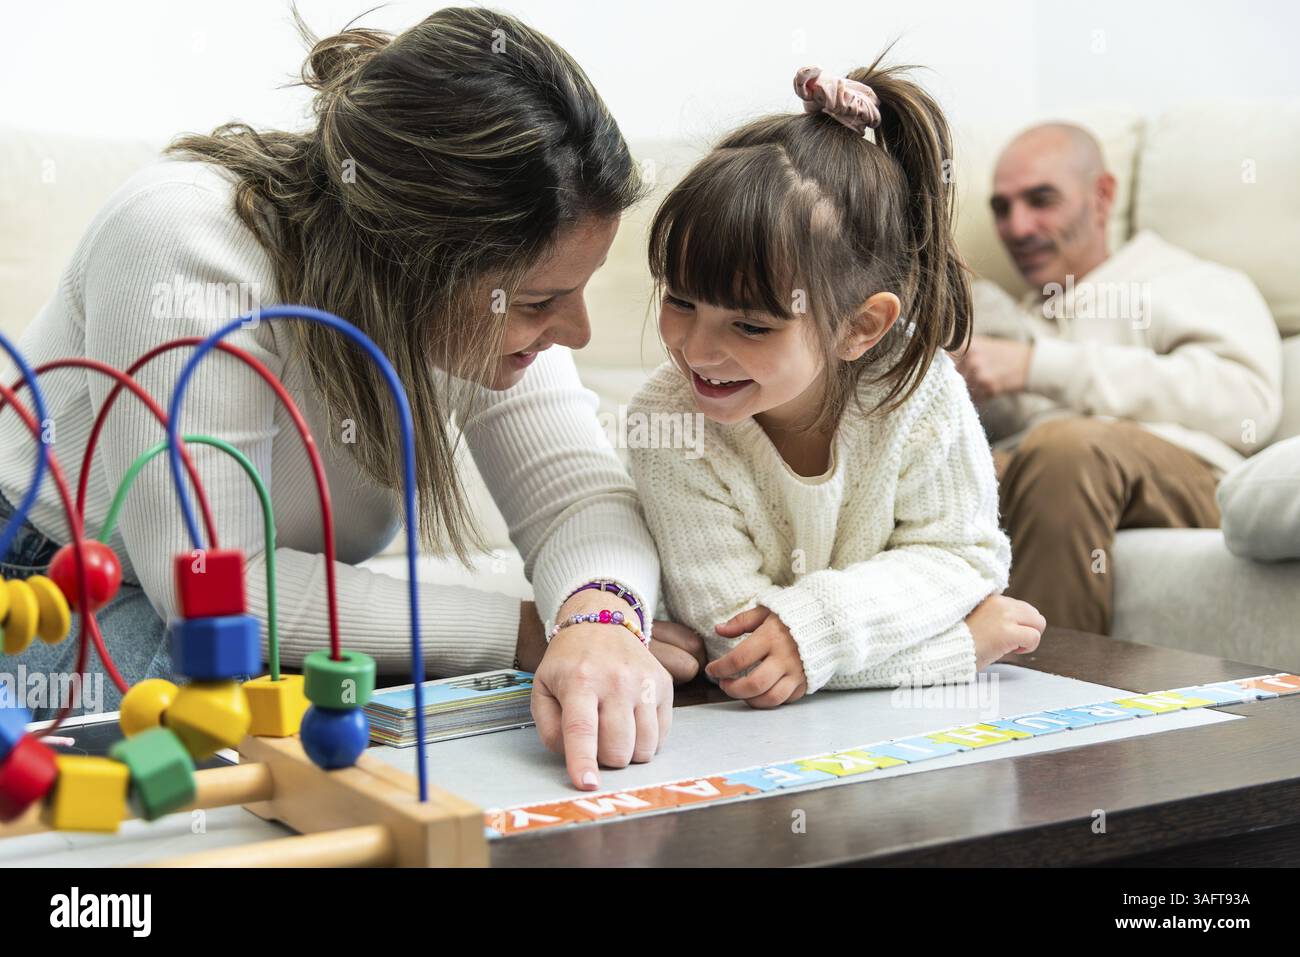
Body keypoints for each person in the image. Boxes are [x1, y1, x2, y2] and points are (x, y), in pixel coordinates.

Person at [0, 7, 705, 791]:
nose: (572, 332)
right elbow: (217, 591)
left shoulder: (480, 306)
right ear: (413, 262)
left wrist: (598, 618)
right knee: (234, 718)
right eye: (539, 302)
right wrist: (530, 631)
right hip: (41, 582)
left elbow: (578, 497)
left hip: (191, 607)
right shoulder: (187, 243)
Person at [627, 63, 1045, 708]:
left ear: (860, 327)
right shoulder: (666, 420)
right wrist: (957, 648)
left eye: (749, 325)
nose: (698, 350)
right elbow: (737, 655)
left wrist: (813, 630)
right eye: (681, 301)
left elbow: (963, 560)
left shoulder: (920, 390)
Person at [958, 122, 1283, 634]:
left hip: (1183, 479)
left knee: (1067, 449)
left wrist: (1037, 366)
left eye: (1041, 199)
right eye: (1002, 208)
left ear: (1102, 197)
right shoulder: (1018, 317)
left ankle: (1056, 696)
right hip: (1060, 476)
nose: (1018, 227)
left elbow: (1248, 404)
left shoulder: (1186, 281)